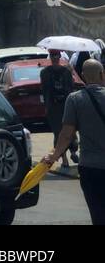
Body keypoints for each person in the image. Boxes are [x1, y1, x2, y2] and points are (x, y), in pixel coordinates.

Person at [43, 57, 105, 224]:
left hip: (90, 167)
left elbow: (66, 134)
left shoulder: (75, 99)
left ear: (83, 76)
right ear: (102, 74)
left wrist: (54, 156)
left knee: (98, 213)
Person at [41, 50, 79, 169]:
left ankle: (69, 155)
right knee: (63, 131)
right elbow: (44, 90)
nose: (55, 57)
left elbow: (70, 88)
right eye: (53, 55)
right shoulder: (48, 72)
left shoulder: (63, 71)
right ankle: (67, 156)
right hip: (57, 106)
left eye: (56, 55)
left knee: (66, 131)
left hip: (61, 105)